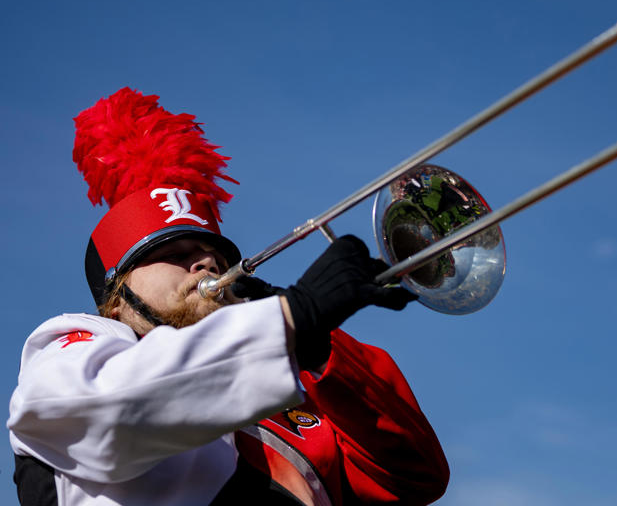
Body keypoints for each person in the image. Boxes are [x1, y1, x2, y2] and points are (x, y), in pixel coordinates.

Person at [7, 88, 449, 505]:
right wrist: (295, 315)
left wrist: (323, 353)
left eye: (215, 257)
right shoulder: (73, 348)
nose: (206, 264)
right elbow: (106, 414)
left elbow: (416, 478)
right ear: (118, 298)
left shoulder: (280, 394)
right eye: (176, 255)